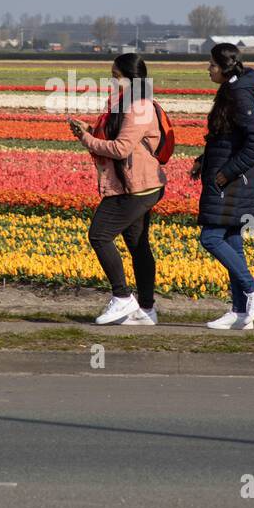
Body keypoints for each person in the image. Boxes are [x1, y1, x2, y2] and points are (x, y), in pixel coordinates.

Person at [68, 53, 167, 325]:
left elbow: (121, 148)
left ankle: (122, 298)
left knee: (99, 235)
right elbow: (118, 137)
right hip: (136, 184)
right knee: (137, 246)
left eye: (115, 77)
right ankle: (146, 310)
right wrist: (87, 130)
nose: (111, 82)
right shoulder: (124, 103)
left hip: (136, 187)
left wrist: (88, 140)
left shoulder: (139, 107)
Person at [192, 43, 254, 330]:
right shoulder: (230, 91)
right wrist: (205, 160)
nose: (208, 69)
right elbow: (227, 138)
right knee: (233, 243)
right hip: (230, 179)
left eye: (211, 64)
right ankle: (240, 313)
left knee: (210, 238)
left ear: (224, 67)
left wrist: (226, 172)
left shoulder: (238, 95)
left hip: (235, 184)